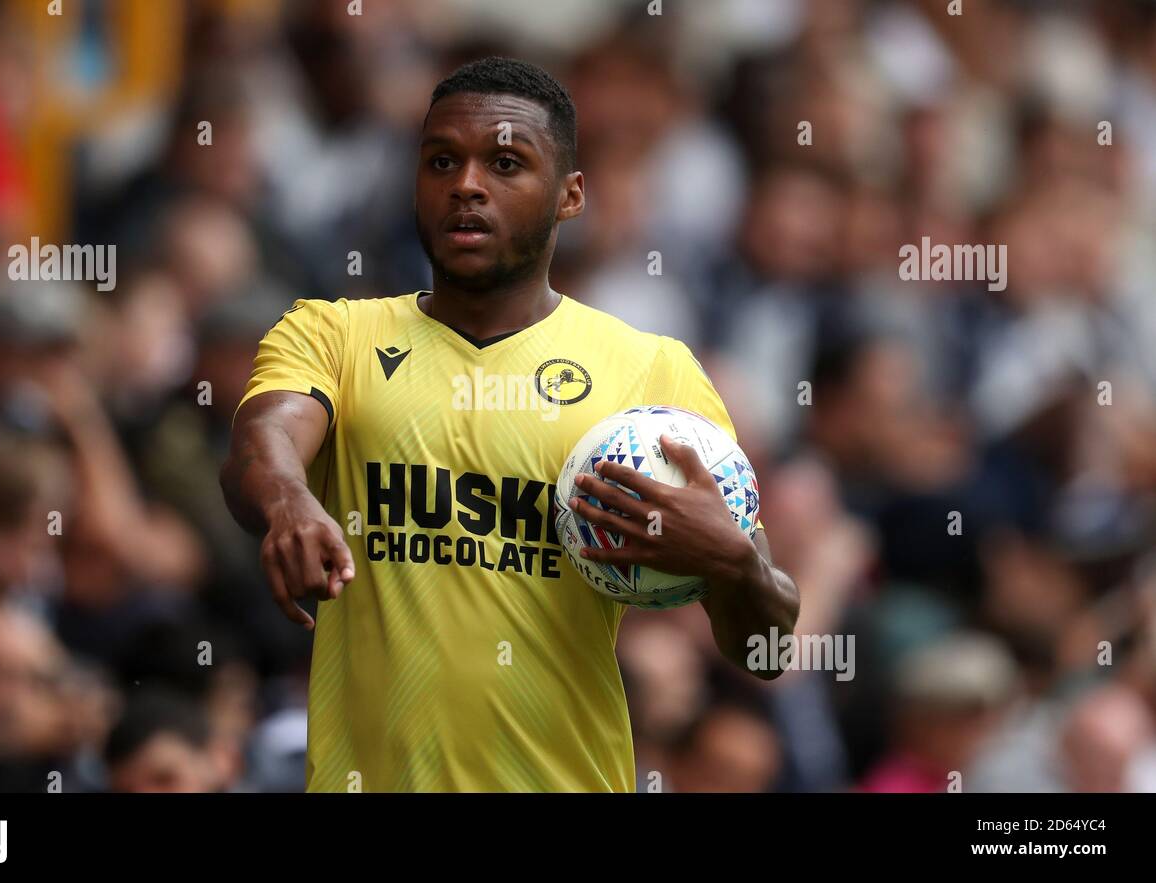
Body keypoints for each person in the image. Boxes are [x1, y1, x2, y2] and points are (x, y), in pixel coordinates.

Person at [221, 57, 799, 793]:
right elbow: (260, 443)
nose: (466, 184)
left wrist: (735, 562)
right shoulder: (334, 334)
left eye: (504, 163)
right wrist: (289, 499)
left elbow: (767, 649)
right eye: (441, 161)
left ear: (570, 196)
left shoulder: (653, 375)